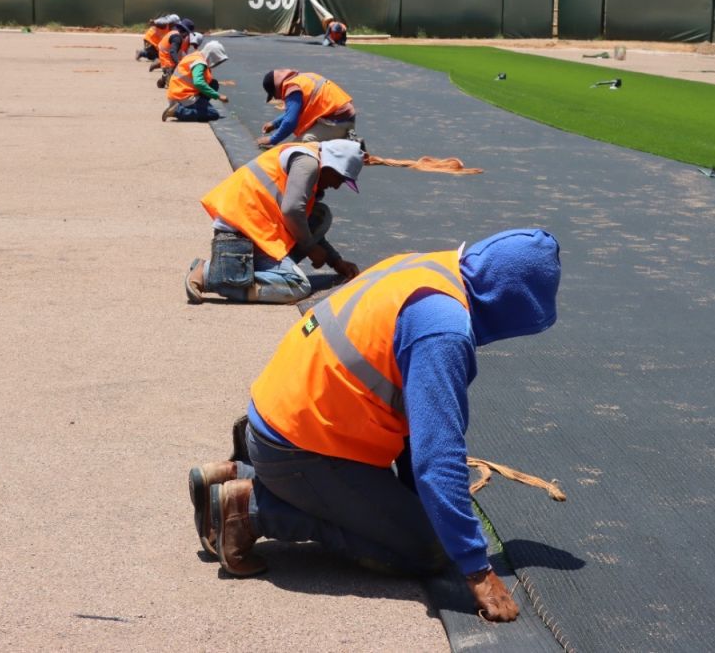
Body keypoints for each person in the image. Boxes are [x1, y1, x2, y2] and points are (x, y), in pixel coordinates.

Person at [187, 228, 561, 623]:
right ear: (510, 307)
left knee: (422, 521)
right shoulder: (442, 330)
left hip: (281, 423)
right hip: (300, 449)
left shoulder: (425, 267)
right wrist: (477, 569)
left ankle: (239, 474)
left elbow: (414, 432)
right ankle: (252, 509)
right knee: (429, 550)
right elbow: (437, 458)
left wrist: (414, 505)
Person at [185, 139, 364, 305]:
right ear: (332, 167)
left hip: (257, 230)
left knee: (319, 215)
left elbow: (304, 221)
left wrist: (335, 260)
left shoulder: (310, 157)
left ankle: (233, 269)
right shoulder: (308, 164)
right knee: (297, 285)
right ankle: (212, 275)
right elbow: (292, 211)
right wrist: (310, 248)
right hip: (241, 233)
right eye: (340, 179)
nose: (337, 186)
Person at [256, 69, 357, 149]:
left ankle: (346, 147)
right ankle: (343, 145)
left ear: (276, 88)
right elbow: (295, 112)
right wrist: (274, 124)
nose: (277, 98)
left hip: (335, 122)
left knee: (295, 150)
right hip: (340, 117)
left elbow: (290, 122)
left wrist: (272, 140)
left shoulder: (291, 88)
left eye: (274, 94)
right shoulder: (301, 78)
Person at [162, 40, 229, 123]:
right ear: (212, 55)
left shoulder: (196, 55)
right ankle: (177, 111)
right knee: (213, 114)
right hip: (182, 96)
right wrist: (218, 96)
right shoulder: (199, 63)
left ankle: (198, 105)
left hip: (179, 91)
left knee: (213, 84)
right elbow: (198, 82)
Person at [156, 18, 195, 87]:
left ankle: (166, 76)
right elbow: (172, 51)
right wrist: (178, 63)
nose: (187, 36)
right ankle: (166, 76)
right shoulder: (177, 38)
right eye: (187, 33)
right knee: (175, 84)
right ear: (185, 31)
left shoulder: (175, 33)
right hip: (167, 62)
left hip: (167, 58)